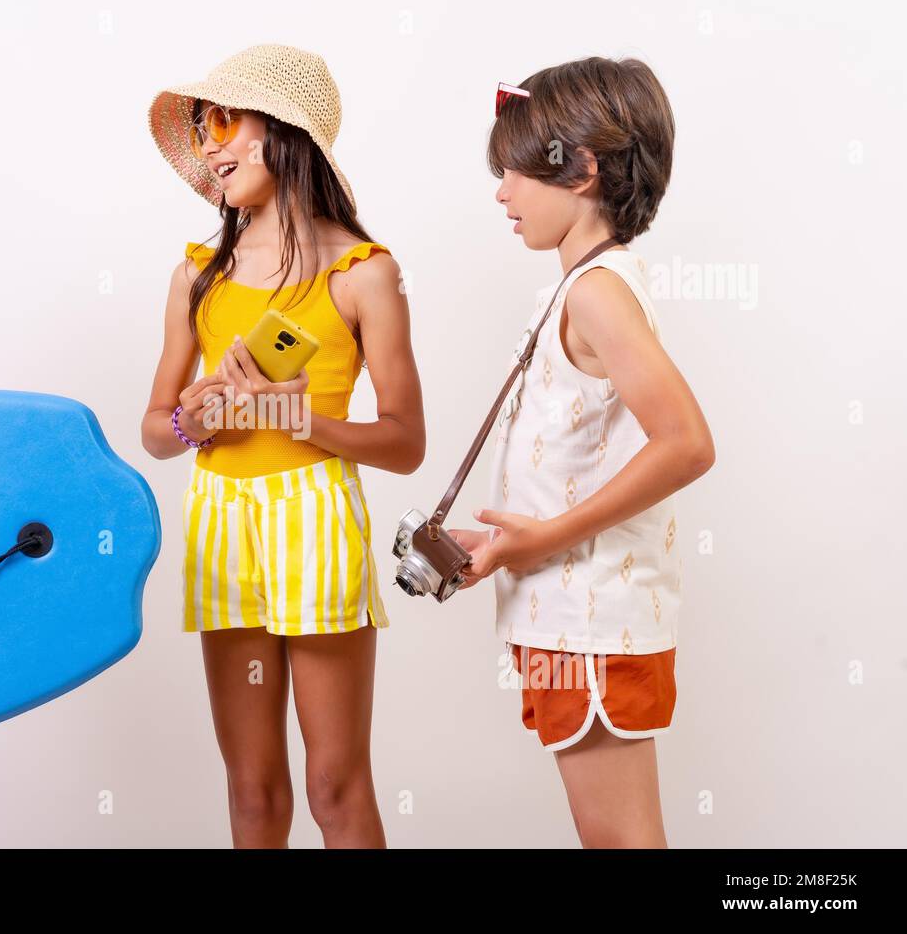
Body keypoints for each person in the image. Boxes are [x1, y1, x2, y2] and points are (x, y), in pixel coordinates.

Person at [143, 45, 425, 848]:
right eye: (203, 127)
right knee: (253, 795)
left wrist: (304, 423)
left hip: (316, 519)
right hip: (221, 520)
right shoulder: (199, 274)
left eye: (226, 122)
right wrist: (196, 420)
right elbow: (157, 431)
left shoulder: (364, 273)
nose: (209, 144)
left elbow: (406, 442)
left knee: (336, 787)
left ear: (287, 133)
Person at [452, 58, 715, 847]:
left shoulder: (597, 291)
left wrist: (546, 538)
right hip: (571, 619)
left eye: (516, 172)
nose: (502, 193)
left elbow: (688, 444)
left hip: (591, 622)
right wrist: (514, 540)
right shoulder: (582, 288)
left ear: (582, 168)